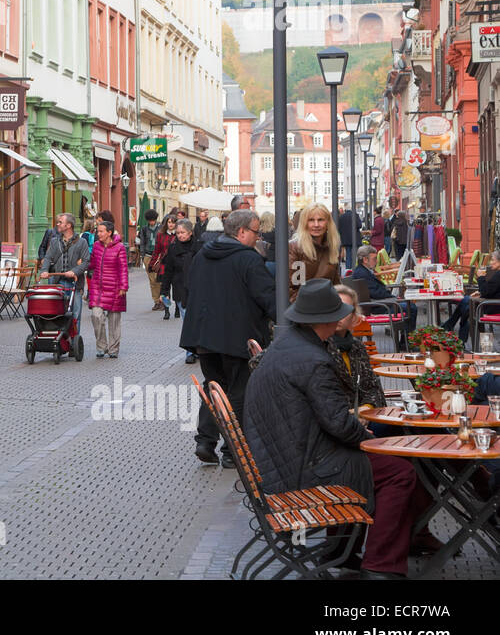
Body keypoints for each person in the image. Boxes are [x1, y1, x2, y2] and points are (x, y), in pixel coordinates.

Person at [244, 279, 433, 579]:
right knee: (399, 472)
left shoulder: (289, 344)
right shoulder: (315, 360)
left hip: (282, 460)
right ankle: (381, 564)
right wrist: (366, 438)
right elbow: (339, 424)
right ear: (328, 320)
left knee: (379, 462)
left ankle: (341, 551)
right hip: (301, 469)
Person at [180, 209, 275, 467]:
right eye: (256, 232)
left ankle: (205, 441)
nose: (259, 237)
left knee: (214, 386)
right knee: (238, 393)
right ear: (242, 232)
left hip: (204, 337)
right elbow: (268, 298)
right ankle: (233, 452)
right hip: (237, 338)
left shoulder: (203, 255)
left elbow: (191, 289)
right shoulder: (249, 260)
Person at [352, 244, 418, 331]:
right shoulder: (362, 273)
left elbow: (375, 291)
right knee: (411, 308)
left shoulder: (362, 271)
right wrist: (392, 298)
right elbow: (375, 293)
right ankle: (406, 339)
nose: (376, 261)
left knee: (408, 305)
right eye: (374, 259)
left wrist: (392, 298)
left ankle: (405, 338)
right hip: (378, 306)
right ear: (365, 259)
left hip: (379, 303)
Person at [161, 219, 202, 356]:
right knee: (187, 321)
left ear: (190, 233)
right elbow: (168, 271)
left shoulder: (199, 247)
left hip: (196, 289)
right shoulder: (173, 249)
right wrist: (164, 291)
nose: (180, 235)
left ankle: (197, 349)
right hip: (179, 288)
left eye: (182, 232)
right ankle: (190, 353)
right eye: (178, 233)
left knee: (196, 320)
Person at [88, 219, 128, 358]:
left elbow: (123, 268)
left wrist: (123, 286)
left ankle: (113, 350)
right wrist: (83, 263)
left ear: (109, 232)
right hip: (98, 287)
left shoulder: (120, 247)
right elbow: (92, 262)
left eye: (101, 231)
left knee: (114, 321)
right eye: (97, 231)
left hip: (115, 287)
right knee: (96, 315)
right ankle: (101, 346)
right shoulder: (97, 246)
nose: (98, 234)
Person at [443, 250, 500, 347]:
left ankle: (451, 328)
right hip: (490, 302)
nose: (490, 263)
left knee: (467, 303)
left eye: (492, 260)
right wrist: (480, 293)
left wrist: (480, 277)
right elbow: (493, 290)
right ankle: (458, 337)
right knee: (466, 302)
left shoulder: (498, 275)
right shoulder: (497, 274)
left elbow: (486, 291)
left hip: (493, 306)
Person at [40, 212, 90, 321]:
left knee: (75, 316)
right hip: (58, 283)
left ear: (68, 226)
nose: (57, 224)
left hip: (75, 284)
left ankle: (74, 338)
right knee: (58, 314)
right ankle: (62, 337)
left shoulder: (82, 242)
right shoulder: (54, 242)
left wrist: (74, 271)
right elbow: (48, 258)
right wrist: (44, 270)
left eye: (60, 222)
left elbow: (86, 261)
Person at [287, 203, 342, 301]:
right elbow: (292, 287)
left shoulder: (332, 248)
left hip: (327, 307)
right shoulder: (295, 247)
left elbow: (336, 284)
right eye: (311, 220)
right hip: (303, 309)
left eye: (320, 220)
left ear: (328, 223)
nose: (316, 225)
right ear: (305, 223)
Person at [137, 209, 162, 311]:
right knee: (152, 281)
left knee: (160, 280)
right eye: (150, 220)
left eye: (153, 220)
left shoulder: (161, 228)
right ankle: (156, 301)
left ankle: (162, 301)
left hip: (159, 256)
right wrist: (143, 256)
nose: (151, 222)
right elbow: (142, 243)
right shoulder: (144, 229)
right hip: (148, 255)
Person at [152, 214, 177, 313]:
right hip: (164, 264)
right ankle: (166, 310)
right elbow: (157, 250)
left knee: (176, 288)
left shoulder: (179, 234)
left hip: (176, 265)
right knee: (165, 289)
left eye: (173, 222)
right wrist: (152, 263)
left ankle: (177, 309)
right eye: (169, 222)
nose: (171, 224)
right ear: (166, 223)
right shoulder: (160, 234)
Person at [337, 206, 362, 271]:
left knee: (348, 254)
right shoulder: (355, 215)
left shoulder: (341, 217)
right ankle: (354, 268)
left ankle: (348, 269)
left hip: (346, 239)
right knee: (355, 254)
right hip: (355, 238)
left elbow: (339, 227)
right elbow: (359, 225)